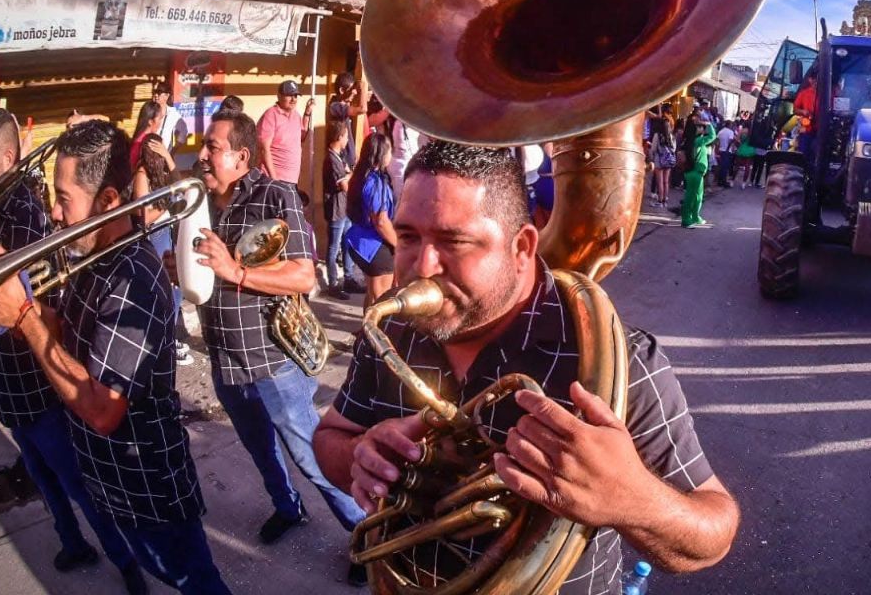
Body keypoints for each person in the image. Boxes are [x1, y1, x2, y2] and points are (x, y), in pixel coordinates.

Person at [311, 142, 739, 593]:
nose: (422, 267)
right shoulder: (390, 331)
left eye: (454, 241)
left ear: (522, 246)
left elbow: (713, 533)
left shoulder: (623, 360)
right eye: (409, 237)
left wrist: (632, 499)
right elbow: (329, 438)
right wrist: (360, 456)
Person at [0, 120, 226, 593]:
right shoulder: (95, 260)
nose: (53, 212)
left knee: (196, 582)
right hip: (112, 484)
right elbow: (70, 340)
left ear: (108, 201)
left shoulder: (130, 278)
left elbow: (103, 410)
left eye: (63, 198)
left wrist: (27, 315)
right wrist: (19, 302)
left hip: (147, 490)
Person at [188, 110, 367, 584]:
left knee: (313, 457)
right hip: (226, 362)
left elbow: (304, 275)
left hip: (275, 364)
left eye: (212, 146)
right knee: (260, 452)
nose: (202, 155)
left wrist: (237, 272)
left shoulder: (275, 194)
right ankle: (288, 509)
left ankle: (366, 535)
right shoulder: (200, 203)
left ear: (241, 156)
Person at [0, 113, 147, 593]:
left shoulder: (27, 216)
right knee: (42, 478)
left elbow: (48, 304)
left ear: (8, 158)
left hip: (36, 380)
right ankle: (72, 542)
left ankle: (128, 565)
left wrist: (11, 295)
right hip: (3, 379)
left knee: (77, 484)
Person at [131, 134, 192, 366]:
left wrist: (168, 157)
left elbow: (181, 184)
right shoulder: (141, 174)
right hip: (155, 236)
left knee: (176, 291)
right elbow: (143, 216)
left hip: (167, 233)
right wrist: (165, 203)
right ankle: (161, 344)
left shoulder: (161, 172)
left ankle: (168, 338)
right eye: (157, 153)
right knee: (162, 292)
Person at [344, 133, 397, 309]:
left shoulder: (361, 177)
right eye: (390, 150)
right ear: (381, 153)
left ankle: (364, 332)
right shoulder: (376, 181)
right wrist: (398, 244)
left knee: (372, 295)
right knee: (382, 302)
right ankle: (374, 334)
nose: (392, 154)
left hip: (358, 241)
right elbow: (381, 221)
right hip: (374, 247)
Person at [322, 121, 355, 301]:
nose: (347, 139)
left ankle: (348, 278)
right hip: (336, 209)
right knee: (334, 247)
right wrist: (351, 175)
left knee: (346, 244)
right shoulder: (331, 159)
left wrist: (349, 173)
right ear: (339, 137)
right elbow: (344, 185)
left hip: (344, 208)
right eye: (345, 136)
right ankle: (333, 283)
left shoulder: (339, 156)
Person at [257, 80, 313, 185]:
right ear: (279, 96)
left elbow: (302, 136)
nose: (293, 99)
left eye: (296, 96)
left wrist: (307, 113)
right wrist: (274, 180)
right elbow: (264, 150)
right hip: (273, 179)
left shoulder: (296, 115)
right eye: (289, 95)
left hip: (292, 180)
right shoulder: (271, 115)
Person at [681, 115, 716, 229]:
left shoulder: (691, 140)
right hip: (695, 172)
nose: (702, 128)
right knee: (691, 197)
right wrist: (708, 124)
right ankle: (686, 219)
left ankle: (695, 216)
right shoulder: (698, 141)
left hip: (694, 172)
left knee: (697, 196)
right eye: (699, 127)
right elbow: (712, 136)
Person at [153, 80, 188, 154]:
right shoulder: (149, 110)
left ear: (167, 95)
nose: (155, 95)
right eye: (154, 92)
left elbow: (184, 131)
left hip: (163, 155)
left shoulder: (172, 113)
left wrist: (173, 152)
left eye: (158, 92)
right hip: (149, 153)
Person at [649, 116, 675, 208]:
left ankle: (660, 201)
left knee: (659, 182)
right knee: (666, 182)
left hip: (659, 160)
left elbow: (653, 149)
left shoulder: (657, 135)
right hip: (668, 160)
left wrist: (651, 158)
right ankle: (665, 200)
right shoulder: (671, 136)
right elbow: (674, 149)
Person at [792, 71, 818, 156]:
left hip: (822, 131)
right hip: (807, 130)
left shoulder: (828, 93)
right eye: (813, 79)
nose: (815, 82)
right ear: (809, 80)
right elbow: (795, 110)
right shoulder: (804, 93)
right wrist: (803, 111)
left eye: (817, 80)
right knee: (803, 154)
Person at [714, 120, 736, 188]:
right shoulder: (730, 132)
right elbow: (730, 141)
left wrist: (717, 149)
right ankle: (724, 182)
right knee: (725, 167)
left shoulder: (721, 131)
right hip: (726, 151)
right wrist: (727, 148)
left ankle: (719, 181)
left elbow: (717, 141)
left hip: (720, 150)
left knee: (721, 166)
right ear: (729, 125)